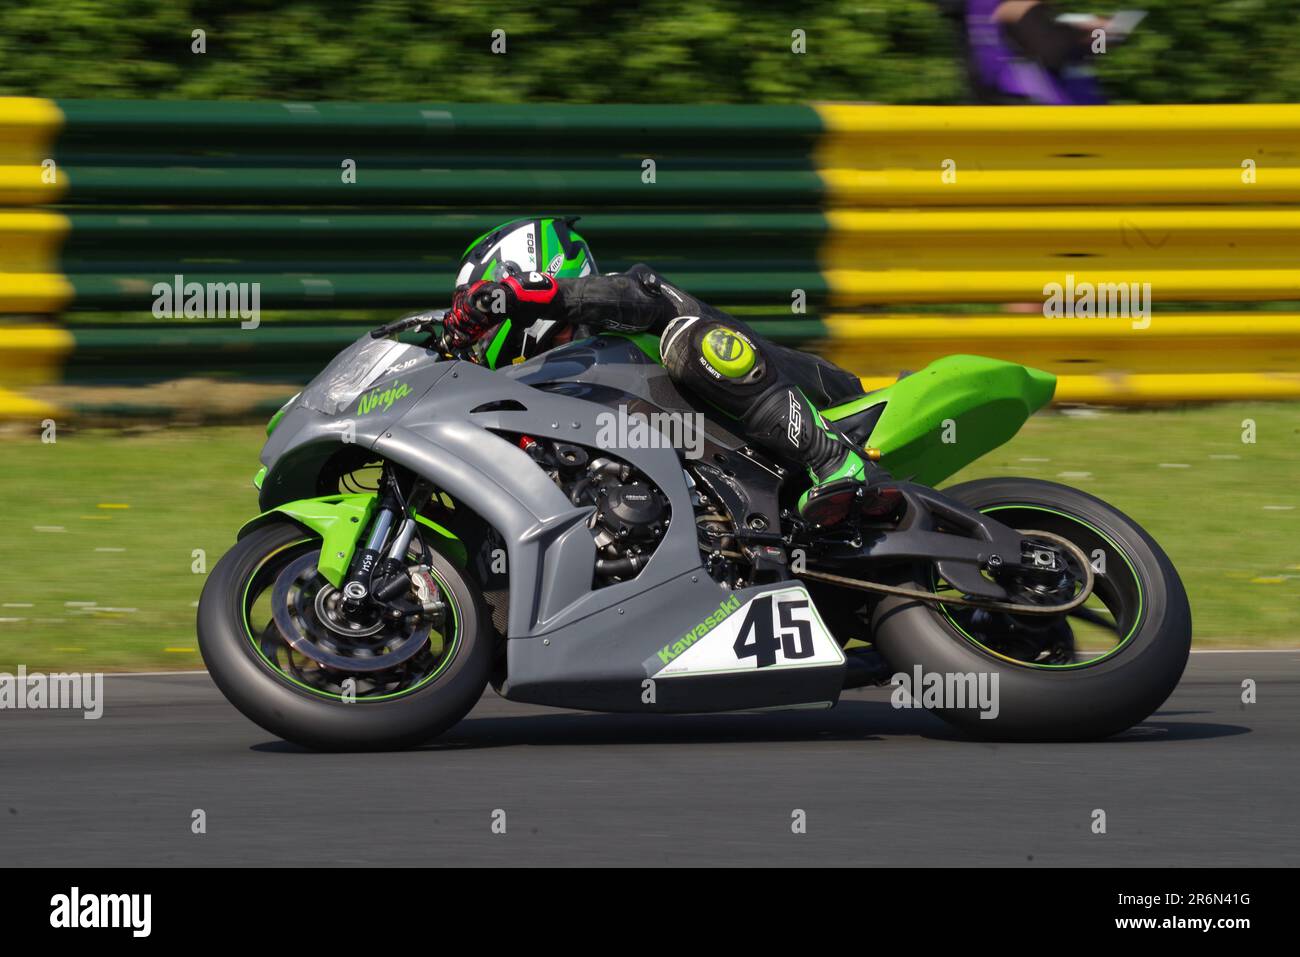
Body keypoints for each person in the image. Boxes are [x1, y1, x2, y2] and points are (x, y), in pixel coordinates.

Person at [442, 216, 881, 526]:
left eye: (485, 302)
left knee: (691, 341)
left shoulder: (622, 301)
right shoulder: (553, 386)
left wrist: (517, 294)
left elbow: (630, 298)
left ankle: (836, 461)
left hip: (827, 402)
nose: (481, 329)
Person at [944, 0, 1116, 104]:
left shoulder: (978, 9)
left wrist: (1097, 39)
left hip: (991, 106)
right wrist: (1096, 35)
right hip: (1037, 114)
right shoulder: (1020, 8)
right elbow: (1054, 55)